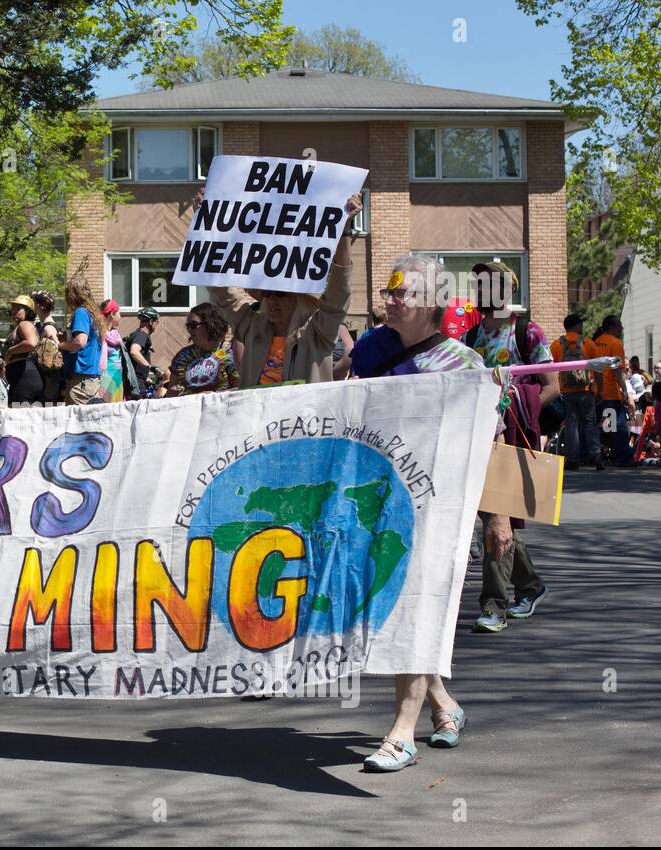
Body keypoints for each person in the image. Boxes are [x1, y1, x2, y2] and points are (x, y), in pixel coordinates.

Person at [349, 256, 491, 772]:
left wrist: (495, 519)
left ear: (433, 303)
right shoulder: (369, 351)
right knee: (399, 610)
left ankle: (400, 735)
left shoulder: (464, 366)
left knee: (412, 609)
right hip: (379, 507)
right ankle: (445, 707)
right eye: (388, 291)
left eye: (402, 293)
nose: (390, 299)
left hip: (436, 512)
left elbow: (486, 449)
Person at [459, 261, 555, 633]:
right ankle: (531, 586)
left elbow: (551, 387)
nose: (484, 290)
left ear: (507, 290)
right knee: (491, 519)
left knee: (495, 520)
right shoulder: (469, 338)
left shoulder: (526, 332)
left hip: (513, 437)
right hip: (479, 437)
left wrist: (516, 403)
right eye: (479, 283)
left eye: (493, 283)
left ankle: (494, 605)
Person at [207, 193, 362, 387]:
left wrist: (343, 231)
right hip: (258, 416)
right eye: (266, 294)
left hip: (304, 417)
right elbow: (224, 294)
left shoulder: (317, 332)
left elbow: (339, 293)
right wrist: (208, 223)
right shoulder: (253, 326)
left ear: (299, 298)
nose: (271, 300)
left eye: (280, 294)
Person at [550, 312, 601, 471]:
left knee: (571, 423)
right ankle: (596, 456)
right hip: (586, 389)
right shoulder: (588, 344)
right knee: (589, 422)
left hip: (567, 390)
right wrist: (600, 390)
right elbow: (598, 368)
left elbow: (553, 367)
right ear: (577, 326)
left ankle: (572, 459)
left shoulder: (556, 345)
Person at [165, 302, 240, 396]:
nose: (190, 330)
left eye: (193, 325)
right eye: (188, 326)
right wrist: (172, 392)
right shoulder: (182, 356)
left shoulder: (229, 354)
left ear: (210, 324)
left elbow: (241, 389)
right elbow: (170, 393)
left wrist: (213, 395)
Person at [591, 315, 635, 466]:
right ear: (611, 327)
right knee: (619, 426)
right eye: (619, 326)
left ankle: (595, 456)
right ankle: (622, 458)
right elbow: (618, 372)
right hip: (610, 392)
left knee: (598, 426)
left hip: (594, 391)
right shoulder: (615, 343)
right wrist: (624, 390)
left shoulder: (594, 342)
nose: (621, 329)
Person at [57, 279, 105, 404]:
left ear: (72, 295)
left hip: (80, 382)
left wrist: (60, 345)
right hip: (90, 380)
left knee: (77, 422)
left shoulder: (80, 312)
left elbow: (80, 342)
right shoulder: (93, 314)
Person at [3, 295, 43, 405]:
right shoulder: (20, 326)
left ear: (27, 311)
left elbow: (31, 343)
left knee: (18, 419)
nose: (13, 311)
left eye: (18, 308)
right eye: (13, 308)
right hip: (21, 376)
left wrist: (10, 351)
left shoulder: (24, 324)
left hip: (24, 377)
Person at [30, 290, 63, 403]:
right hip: (47, 379)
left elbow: (58, 346)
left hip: (49, 380)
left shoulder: (48, 328)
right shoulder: (46, 324)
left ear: (38, 305)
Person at [127, 307, 159, 389]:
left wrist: (146, 378)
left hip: (139, 381)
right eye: (157, 322)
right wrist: (150, 366)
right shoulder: (141, 335)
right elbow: (134, 352)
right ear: (151, 322)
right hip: (137, 383)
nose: (157, 324)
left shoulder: (138, 334)